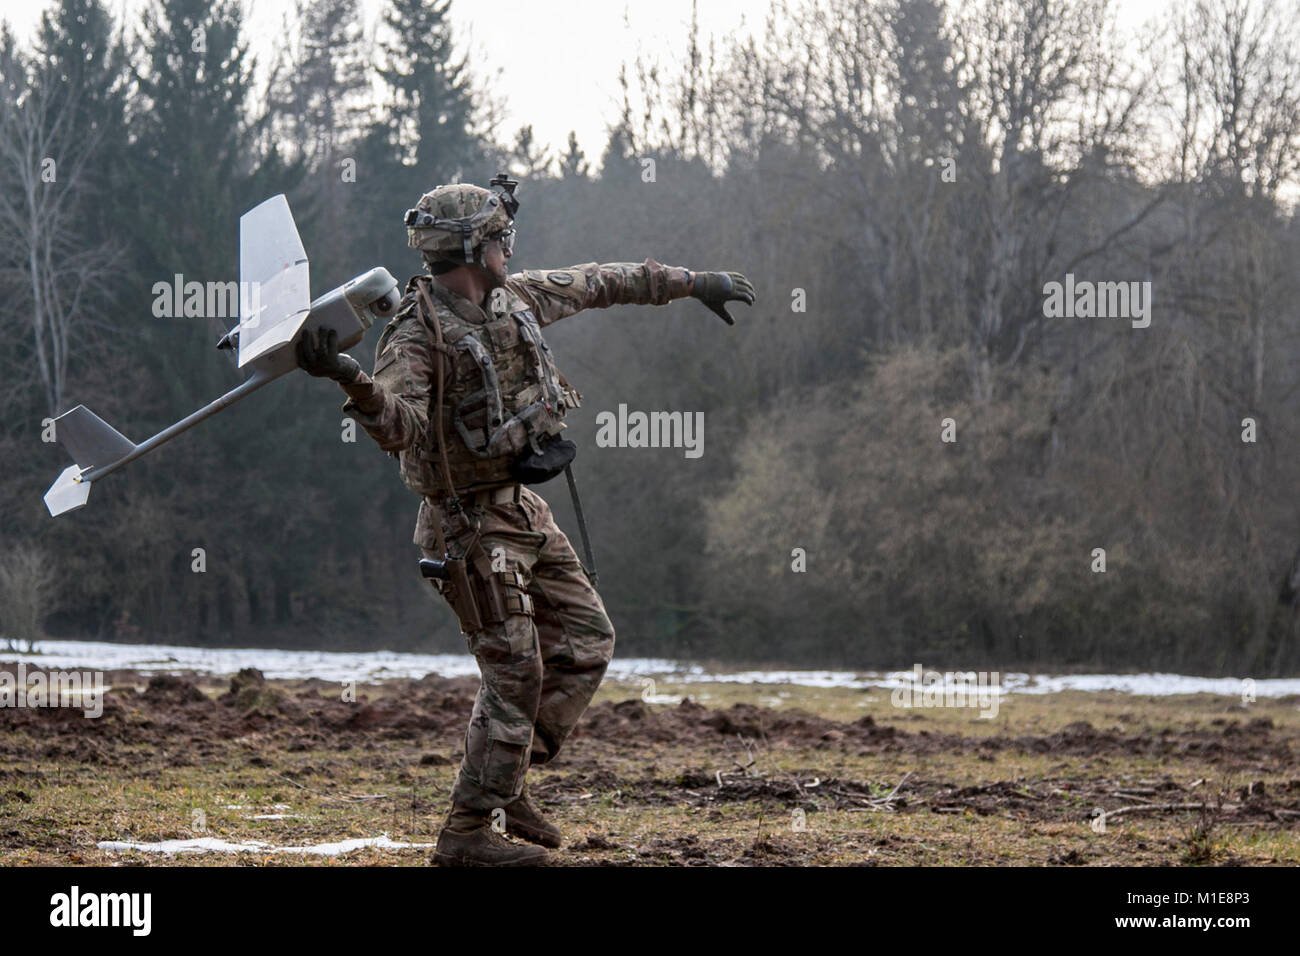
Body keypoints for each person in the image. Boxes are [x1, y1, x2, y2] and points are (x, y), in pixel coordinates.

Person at [297, 173, 754, 865]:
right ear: (476, 248)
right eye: (500, 237)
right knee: (515, 673)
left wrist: (695, 283)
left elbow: (604, 281)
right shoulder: (417, 335)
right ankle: (466, 834)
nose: (511, 245)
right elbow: (399, 426)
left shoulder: (520, 298)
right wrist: (349, 378)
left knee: (587, 641)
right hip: (467, 528)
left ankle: (502, 781)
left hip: (522, 506)